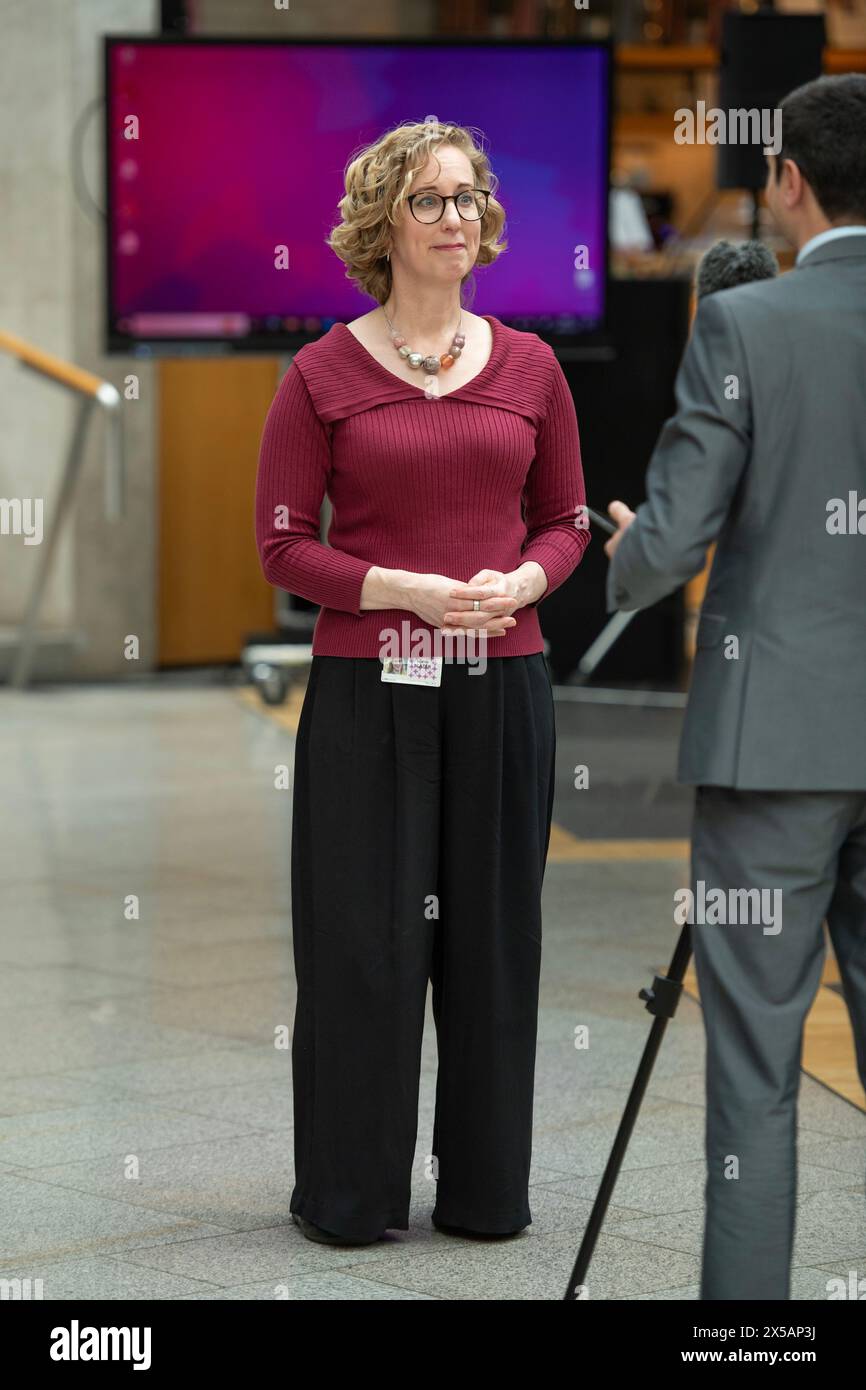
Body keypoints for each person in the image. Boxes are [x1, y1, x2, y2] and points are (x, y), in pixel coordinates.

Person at [254, 119, 589, 1246]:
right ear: (381, 224)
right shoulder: (320, 373)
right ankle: (348, 1197)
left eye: (471, 199)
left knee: (492, 945)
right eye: (433, 201)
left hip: (503, 685)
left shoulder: (534, 367)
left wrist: (526, 576)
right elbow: (283, 545)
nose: (459, 219)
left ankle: (485, 1195)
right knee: (363, 946)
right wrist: (394, 583)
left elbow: (565, 521)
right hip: (369, 693)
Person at [603, 73, 866, 1300]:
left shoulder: (744, 327)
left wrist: (622, 558)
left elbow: (666, 544)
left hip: (775, 750)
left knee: (755, 1064)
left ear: (788, 181)